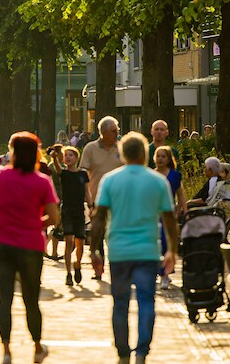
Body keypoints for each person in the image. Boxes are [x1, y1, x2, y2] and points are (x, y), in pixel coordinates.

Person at [88, 132, 177, 364]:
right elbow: (169, 219)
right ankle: (142, 353)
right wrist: (172, 251)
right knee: (147, 300)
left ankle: (123, 353)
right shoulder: (158, 181)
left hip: (118, 250)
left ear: (123, 153)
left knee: (120, 303)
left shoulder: (109, 180)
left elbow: (98, 219)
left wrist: (94, 250)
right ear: (145, 154)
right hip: (148, 251)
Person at [0, 132, 59, 364]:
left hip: (0, 244)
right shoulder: (42, 181)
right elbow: (54, 217)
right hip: (30, 246)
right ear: (36, 154)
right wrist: (35, 223)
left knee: (5, 298)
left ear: (12, 152)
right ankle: (36, 347)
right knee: (31, 299)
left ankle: (6, 351)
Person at [80, 116, 122, 280]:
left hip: (119, 200)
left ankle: (117, 268)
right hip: (98, 199)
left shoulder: (121, 148)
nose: (116, 133)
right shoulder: (90, 148)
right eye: (113, 131)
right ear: (103, 132)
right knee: (97, 235)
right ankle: (99, 269)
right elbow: (83, 174)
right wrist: (88, 201)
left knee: (116, 235)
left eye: (117, 130)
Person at [152, 145, 185, 289]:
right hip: (152, 214)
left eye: (163, 156)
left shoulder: (174, 175)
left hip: (168, 214)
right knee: (154, 244)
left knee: (166, 243)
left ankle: (165, 275)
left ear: (168, 159)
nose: (160, 159)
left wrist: (184, 208)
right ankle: (154, 272)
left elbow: (180, 193)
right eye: (158, 156)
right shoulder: (150, 175)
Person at [57, 145, 90, 286]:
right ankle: (68, 273)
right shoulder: (63, 174)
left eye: (71, 155)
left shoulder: (83, 174)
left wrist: (91, 205)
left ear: (77, 158)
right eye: (66, 155)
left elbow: (87, 192)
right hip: (67, 210)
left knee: (80, 243)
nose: (68, 157)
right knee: (69, 240)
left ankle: (77, 265)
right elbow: (57, 169)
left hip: (79, 211)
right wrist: (54, 157)